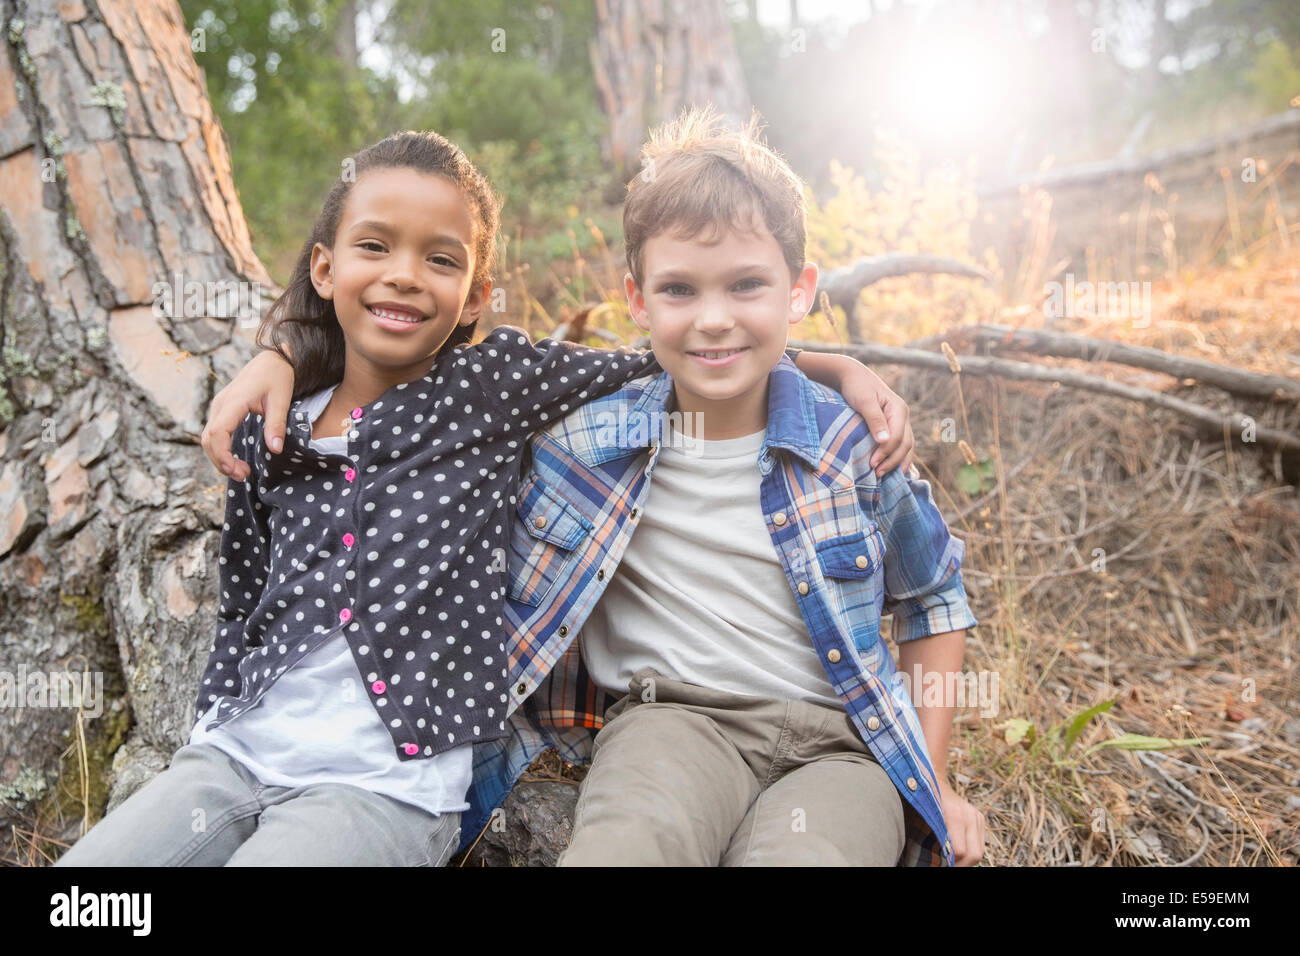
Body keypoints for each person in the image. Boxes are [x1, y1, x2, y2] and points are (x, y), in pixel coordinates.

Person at [60, 128, 911, 866]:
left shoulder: (491, 388)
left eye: (440, 259)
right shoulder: (272, 425)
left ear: (473, 295)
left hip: (386, 781)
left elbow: (680, 352)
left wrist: (833, 364)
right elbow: (241, 594)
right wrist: (280, 351)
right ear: (323, 266)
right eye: (373, 248)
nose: (403, 277)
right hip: (231, 757)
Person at [467, 107, 986, 866]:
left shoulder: (849, 442)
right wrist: (286, 355)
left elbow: (933, 597)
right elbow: (423, 388)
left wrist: (932, 779)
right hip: (672, 725)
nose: (713, 320)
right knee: (623, 848)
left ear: (798, 289)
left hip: (841, 751)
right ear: (638, 301)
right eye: (679, 290)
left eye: (747, 285)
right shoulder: (583, 442)